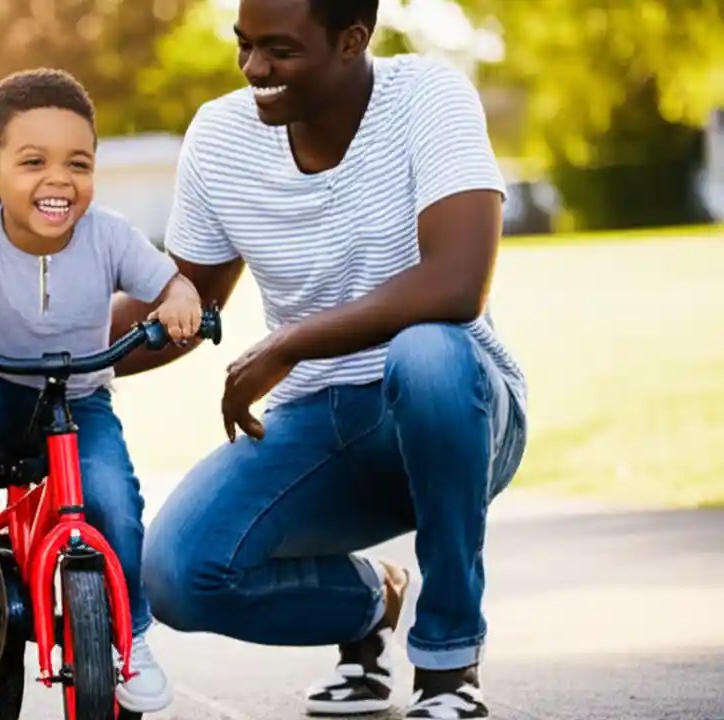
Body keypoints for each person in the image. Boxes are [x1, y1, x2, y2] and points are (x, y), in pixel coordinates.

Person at [108, 1, 528, 718]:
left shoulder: (428, 96)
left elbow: (457, 283)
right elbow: (185, 304)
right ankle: (369, 607)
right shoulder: (220, 136)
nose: (254, 70)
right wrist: (36, 348)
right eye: (243, 46)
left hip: (455, 408)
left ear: (351, 40)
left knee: (426, 353)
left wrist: (289, 342)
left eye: (279, 50)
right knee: (176, 575)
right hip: (318, 424)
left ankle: (449, 667)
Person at [0, 67, 201, 714]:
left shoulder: (110, 235)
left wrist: (182, 303)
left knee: (115, 500)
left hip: (78, 398)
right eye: (33, 161)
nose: (58, 179)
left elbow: (174, 284)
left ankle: (129, 642)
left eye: (78, 162)